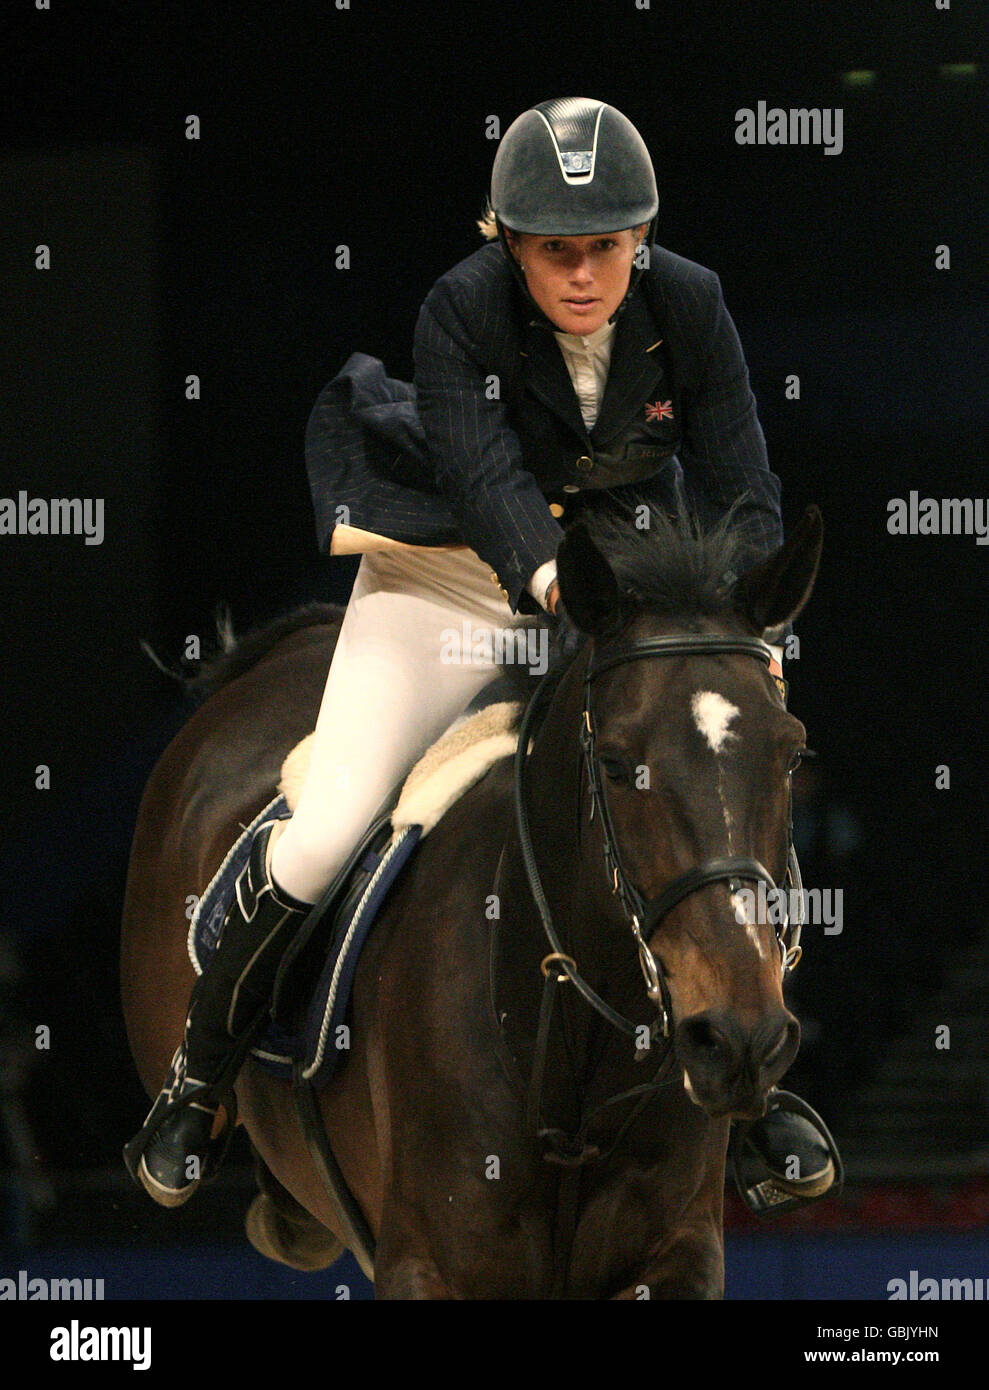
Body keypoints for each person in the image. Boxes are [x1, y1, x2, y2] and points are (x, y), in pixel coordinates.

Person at [128, 97, 837, 1211]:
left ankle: (756, 1101)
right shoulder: (459, 311)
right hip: (450, 572)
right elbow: (487, 481)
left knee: (716, 793)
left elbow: (743, 480)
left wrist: (740, 622)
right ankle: (197, 1080)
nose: (583, 274)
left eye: (605, 245)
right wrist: (549, 579)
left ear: (637, 238)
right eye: (555, 249)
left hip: (618, 582)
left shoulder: (689, 301)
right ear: (503, 240)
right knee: (325, 829)